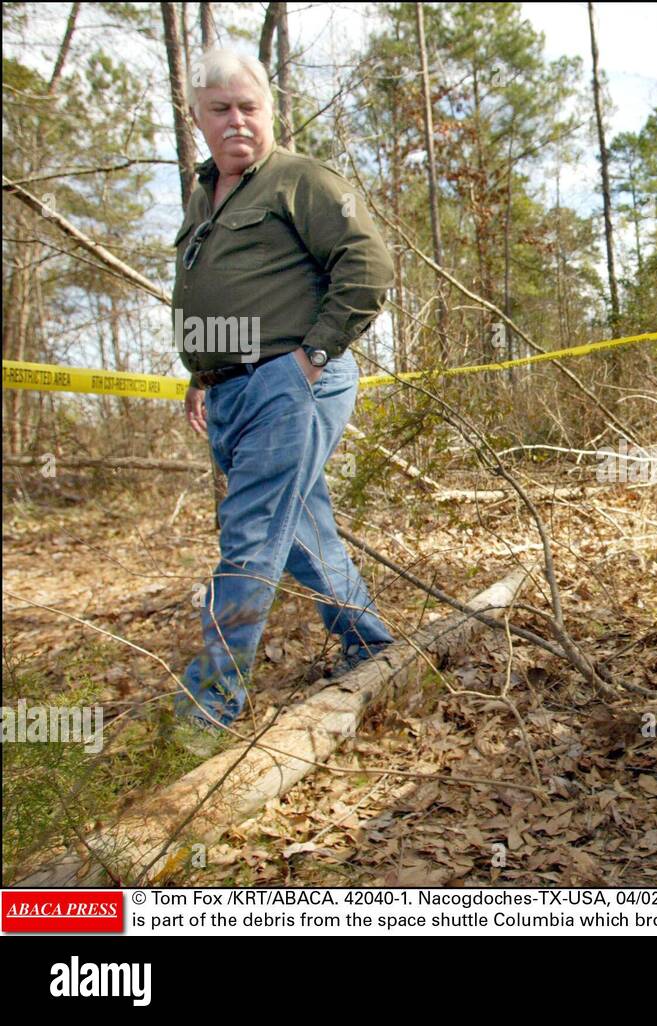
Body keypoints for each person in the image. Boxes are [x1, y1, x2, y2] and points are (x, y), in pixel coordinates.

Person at [172, 49, 395, 754]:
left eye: (249, 106)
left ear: (269, 110)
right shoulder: (205, 195)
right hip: (231, 388)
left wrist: (312, 355)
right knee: (298, 528)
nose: (236, 120)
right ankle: (372, 645)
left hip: (289, 379)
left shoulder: (299, 180)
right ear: (198, 118)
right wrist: (199, 371)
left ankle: (206, 708)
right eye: (220, 109)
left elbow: (370, 266)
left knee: (248, 533)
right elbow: (216, 293)